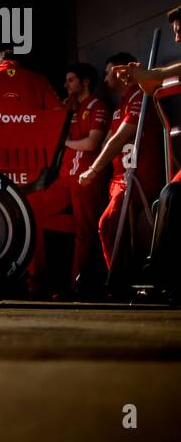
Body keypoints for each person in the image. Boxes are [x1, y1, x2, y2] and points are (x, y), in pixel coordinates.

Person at [79, 53, 165, 281]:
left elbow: (119, 138)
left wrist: (93, 170)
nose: (105, 79)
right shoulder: (121, 105)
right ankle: (124, 278)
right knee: (118, 230)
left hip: (137, 177)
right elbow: (109, 141)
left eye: (108, 73)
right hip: (118, 179)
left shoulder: (140, 97)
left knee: (108, 224)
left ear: (121, 72)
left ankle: (118, 282)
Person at [26, 63, 110, 296]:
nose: (66, 85)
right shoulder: (70, 108)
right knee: (34, 216)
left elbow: (93, 143)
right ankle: (39, 281)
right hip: (64, 178)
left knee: (85, 231)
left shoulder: (98, 106)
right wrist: (62, 112)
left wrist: (66, 143)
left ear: (85, 82)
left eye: (71, 80)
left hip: (86, 177)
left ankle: (78, 285)